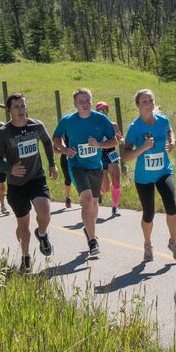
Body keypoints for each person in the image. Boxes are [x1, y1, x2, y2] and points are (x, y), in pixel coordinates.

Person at [0, 94, 57, 272]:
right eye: (17, 107)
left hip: (36, 178)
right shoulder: (4, 133)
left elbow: (47, 142)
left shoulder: (36, 126)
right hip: (16, 185)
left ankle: (42, 235)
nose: (21, 110)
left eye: (23, 106)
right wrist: (9, 169)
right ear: (9, 110)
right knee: (23, 224)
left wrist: (52, 164)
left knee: (45, 212)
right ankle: (26, 256)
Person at [53, 88, 118, 259]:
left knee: (95, 202)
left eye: (88, 100)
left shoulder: (101, 119)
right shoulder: (67, 121)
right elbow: (56, 138)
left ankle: (89, 231)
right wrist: (65, 150)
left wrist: (99, 145)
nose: (85, 104)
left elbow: (114, 140)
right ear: (75, 104)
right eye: (81, 101)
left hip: (95, 166)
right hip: (76, 165)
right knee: (87, 199)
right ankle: (92, 241)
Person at [123, 89, 176, 262]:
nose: (149, 104)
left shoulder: (163, 120)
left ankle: (173, 241)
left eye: (151, 101)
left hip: (164, 171)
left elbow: (169, 130)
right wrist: (142, 148)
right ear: (138, 105)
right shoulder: (135, 127)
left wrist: (172, 142)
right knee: (149, 213)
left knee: (171, 206)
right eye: (144, 102)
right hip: (144, 177)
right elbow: (125, 156)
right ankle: (147, 245)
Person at [95, 101, 123, 218]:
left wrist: (119, 139)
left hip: (111, 153)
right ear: (97, 112)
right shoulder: (93, 125)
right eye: (102, 110)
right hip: (100, 155)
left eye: (106, 109)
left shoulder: (113, 125)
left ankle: (114, 208)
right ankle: (98, 193)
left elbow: (121, 139)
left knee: (116, 182)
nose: (104, 112)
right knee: (105, 187)